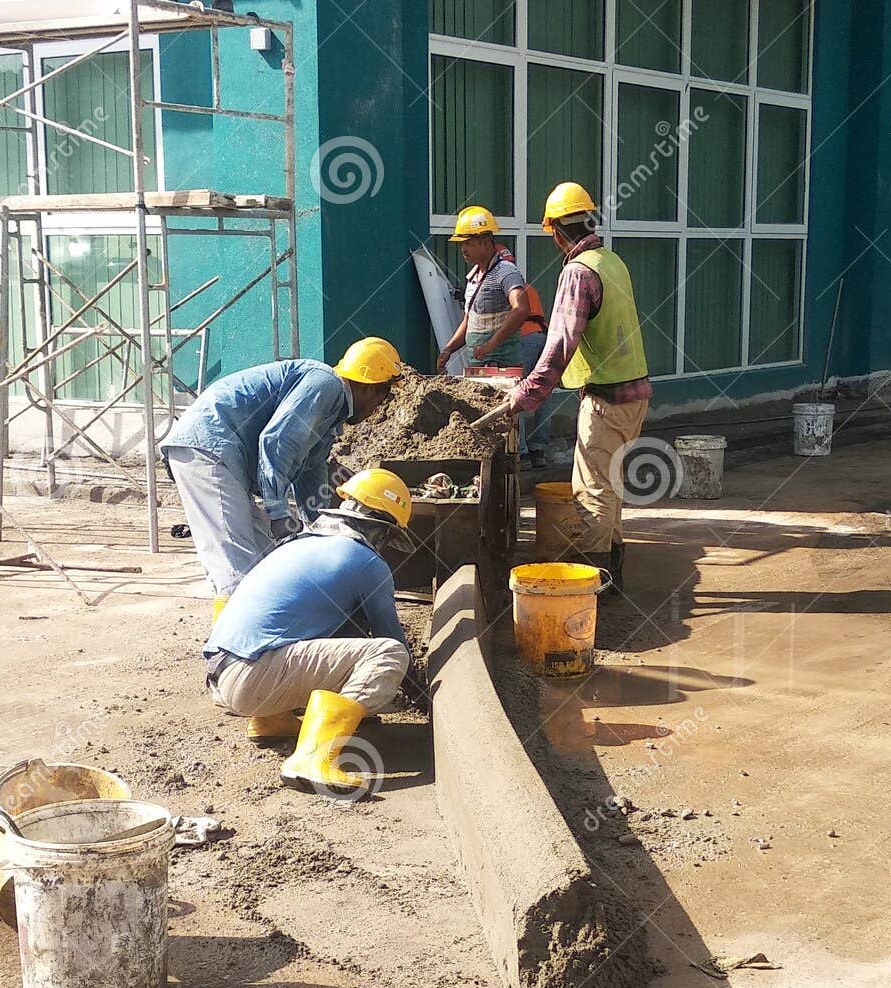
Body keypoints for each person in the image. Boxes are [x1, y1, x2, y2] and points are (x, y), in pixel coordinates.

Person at [202, 468, 415, 797]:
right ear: (378, 528)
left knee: (332, 628)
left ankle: (270, 720)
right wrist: (419, 691)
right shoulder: (366, 562)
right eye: (386, 536)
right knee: (388, 654)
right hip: (252, 677)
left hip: (223, 674)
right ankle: (312, 759)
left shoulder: (299, 545)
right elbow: (392, 637)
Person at [161, 339, 401, 620]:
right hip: (208, 448)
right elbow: (277, 442)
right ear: (367, 386)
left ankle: (268, 641)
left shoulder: (330, 411)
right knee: (235, 565)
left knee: (265, 561)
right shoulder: (326, 385)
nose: (377, 409)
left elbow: (312, 472)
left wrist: (321, 529)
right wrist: (278, 512)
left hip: (224, 454)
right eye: (381, 398)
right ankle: (231, 654)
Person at [504, 182, 652, 591]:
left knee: (592, 494)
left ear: (554, 231)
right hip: (633, 395)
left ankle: (593, 587)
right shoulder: (611, 260)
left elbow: (560, 345)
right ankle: (614, 577)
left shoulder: (578, 271)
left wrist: (525, 395)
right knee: (611, 487)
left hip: (607, 399)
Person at [435, 205, 551, 468]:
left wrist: (492, 343)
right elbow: (469, 320)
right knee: (480, 410)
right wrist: (449, 349)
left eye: (468, 243)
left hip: (501, 360)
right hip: (479, 363)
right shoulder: (474, 277)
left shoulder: (506, 273)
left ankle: (515, 459)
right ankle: (486, 464)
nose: (463, 249)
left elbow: (521, 309)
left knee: (506, 409)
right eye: (461, 244)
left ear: (486, 242)